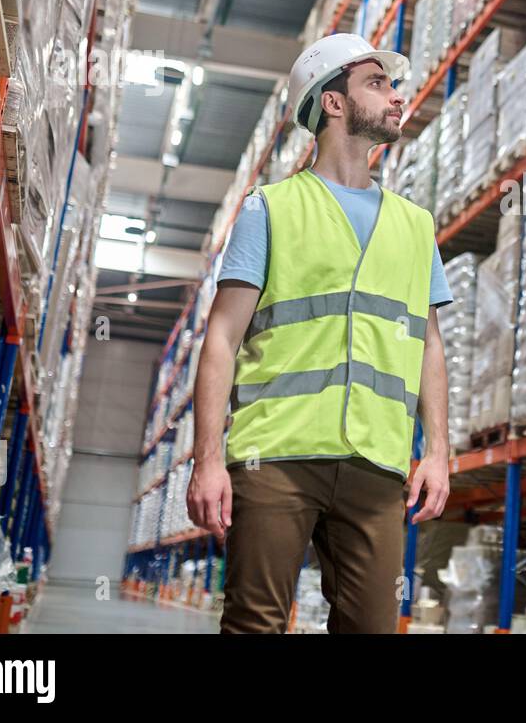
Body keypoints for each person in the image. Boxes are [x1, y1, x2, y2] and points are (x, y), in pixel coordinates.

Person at [186, 33, 453, 634]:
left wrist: (436, 451)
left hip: (378, 460)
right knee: (254, 622)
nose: (395, 96)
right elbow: (221, 339)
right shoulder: (269, 208)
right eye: (377, 83)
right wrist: (207, 461)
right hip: (276, 453)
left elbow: (429, 345)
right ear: (333, 103)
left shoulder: (415, 226)